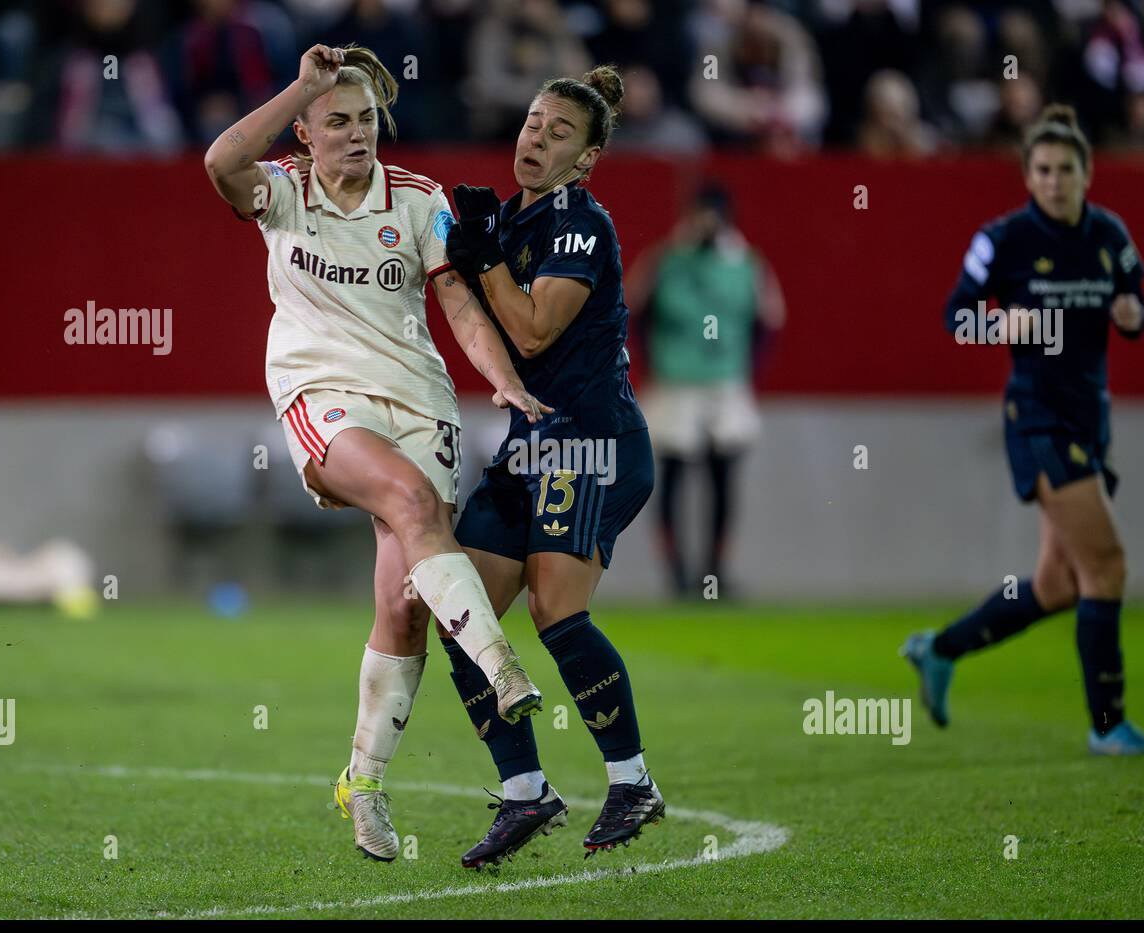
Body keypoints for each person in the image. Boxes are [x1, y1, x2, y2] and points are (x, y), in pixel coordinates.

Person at [203, 43, 554, 862]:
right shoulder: (281, 195)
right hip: (322, 395)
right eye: (338, 122)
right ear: (306, 132)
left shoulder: (420, 201)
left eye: (366, 120)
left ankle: (361, 786)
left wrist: (500, 380)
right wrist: (303, 84)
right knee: (411, 502)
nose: (357, 135)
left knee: (404, 607)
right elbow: (222, 158)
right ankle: (503, 669)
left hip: (419, 402)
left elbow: (460, 307)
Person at [440, 65, 665, 867]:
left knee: (554, 611)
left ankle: (632, 780)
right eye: (533, 122)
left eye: (558, 132)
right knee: (461, 617)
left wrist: (486, 263)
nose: (536, 137)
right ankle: (527, 792)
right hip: (530, 445)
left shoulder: (579, 223)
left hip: (591, 442)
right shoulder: (507, 218)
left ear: (587, 158)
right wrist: (466, 261)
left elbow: (534, 332)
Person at [901, 105, 1144, 757]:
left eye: (1065, 169)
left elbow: (1134, 312)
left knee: (1058, 585)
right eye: (1043, 170)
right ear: (1028, 176)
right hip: (1039, 419)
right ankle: (1108, 726)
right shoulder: (1006, 240)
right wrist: (999, 327)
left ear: (1087, 173)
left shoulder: (1109, 235)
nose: (1054, 181)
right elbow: (955, 318)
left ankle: (940, 648)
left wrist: (1132, 315)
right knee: (1106, 565)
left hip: (1090, 417)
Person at [626, 182, 784, 597]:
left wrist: (748, 373)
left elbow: (769, 320)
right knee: (672, 479)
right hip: (675, 383)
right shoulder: (665, 260)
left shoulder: (747, 263)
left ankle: (714, 573)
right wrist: (652, 366)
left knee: (723, 480)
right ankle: (677, 576)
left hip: (724, 384)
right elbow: (633, 311)